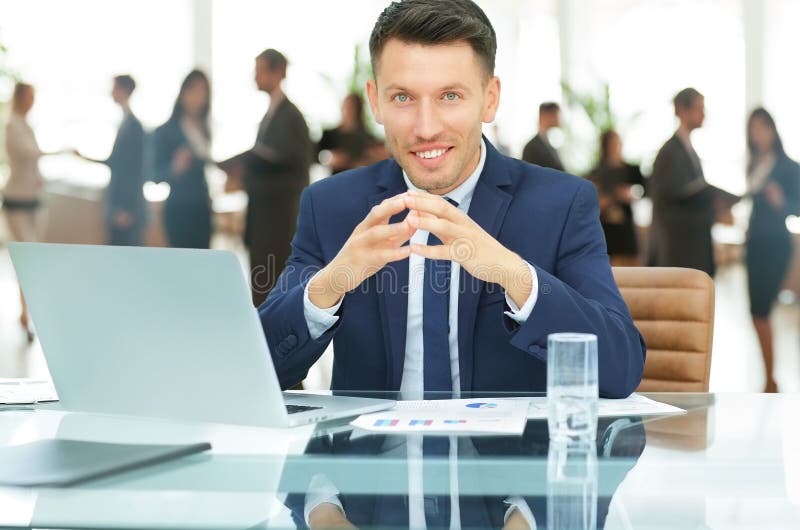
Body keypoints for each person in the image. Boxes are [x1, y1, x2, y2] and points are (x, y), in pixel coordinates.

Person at [260, 0, 644, 405]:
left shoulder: (562, 204)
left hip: (507, 464)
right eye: (403, 98)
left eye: (450, 96)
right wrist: (331, 283)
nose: (426, 128)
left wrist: (513, 275)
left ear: (490, 98)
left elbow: (621, 369)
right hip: (372, 464)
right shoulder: (331, 206)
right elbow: (256, 369)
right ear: (375, 101)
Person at [222, 49, 311, 306]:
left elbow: (293, 170)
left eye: (259, 70)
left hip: (277, 223)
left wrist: (249, 173)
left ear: (277, 71)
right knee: (261, 291)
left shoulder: (291, 117)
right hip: (263, 218)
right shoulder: (271, 114)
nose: (255, 76)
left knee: (273, 293)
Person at [648, 88, 737, 277]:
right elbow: (668, 204)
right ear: (682, 109)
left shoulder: (688, 150)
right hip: (680, 250)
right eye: (699, 108)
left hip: (692, 246)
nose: (703, 114)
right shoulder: (670, 152)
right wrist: (711, 209)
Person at [744, 108, 800, 393]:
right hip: (754, 245)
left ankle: (770, 378)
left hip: (775, 244)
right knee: (756, 311)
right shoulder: (753, 164)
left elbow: (797, 207)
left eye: (762, 127)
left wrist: (782, 202)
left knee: (762, 308)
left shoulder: (789, 166)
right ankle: (769, 376)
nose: (757, 133)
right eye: (752, 128)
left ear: (772, 129)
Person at [2, 82, 63, 340]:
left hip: (34, 201)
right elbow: (28, 155)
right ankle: (26, 312)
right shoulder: (11, 125)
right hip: (17, 201)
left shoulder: (26, 125)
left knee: (32, 256)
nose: (32, 101)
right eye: (30, 97)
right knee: (26, 257)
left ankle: (27, 312)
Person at [75, 75, 146, 246]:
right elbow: (116, 163)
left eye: (114, 88)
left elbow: (134, 171)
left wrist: (126, 208)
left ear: (124, 90)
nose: (111, 92)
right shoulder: (125, 123)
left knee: (124, 256)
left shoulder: (133, 127)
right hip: (119, 205)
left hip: (126, 209)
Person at [152, 70, 213, 249]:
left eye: (203, 91)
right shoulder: (165, 131)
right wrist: (174, 168)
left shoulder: (204, 130)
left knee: (203, 266)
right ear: (183, 92)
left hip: (202, 211)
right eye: (193, 90)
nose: (198, 96)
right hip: (179, 210)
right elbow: (153, 175)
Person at [588, 130, 644, 266]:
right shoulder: (596, 173)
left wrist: (631, 193)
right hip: (606, 230)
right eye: (613, 143)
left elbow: (643, 190)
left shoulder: (631, 170)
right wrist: (612, 198)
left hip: (625, 229)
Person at [317, 92, 382, 174]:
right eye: (346, 107)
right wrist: (329, 158)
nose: (348, 111)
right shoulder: (329, 135)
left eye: (352, 107)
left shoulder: (368, 139)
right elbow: (315, 156)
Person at [521, 102, 564, 171]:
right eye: (556, 115)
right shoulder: (531, 147)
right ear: (545, 116)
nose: (559, 119)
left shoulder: (550, 143)